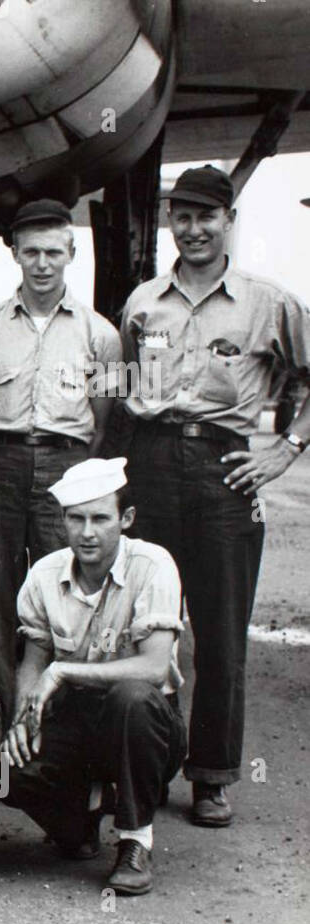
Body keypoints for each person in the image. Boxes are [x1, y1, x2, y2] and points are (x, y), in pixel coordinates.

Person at [118, 164, 310, 827]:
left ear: (229, 221)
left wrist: (285, 448)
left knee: (220, 633)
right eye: (182, 215)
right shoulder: (144, 303)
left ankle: (211, 773)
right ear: (170, 222)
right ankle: (141, 760)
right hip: (151, 462)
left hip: (225, 468)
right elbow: (124, 389)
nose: (194, 229)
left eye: (207, 216)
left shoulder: (270, 303)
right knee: (140, 619)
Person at [0, 199, 121, 721]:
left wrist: (70, 478)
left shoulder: (102, 335)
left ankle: (56, 729)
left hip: (64, 470)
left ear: (71, 253)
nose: (43, 263)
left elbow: (103, 421)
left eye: (53, 252)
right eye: (32, 252)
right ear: (16, 255)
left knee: (66, 596)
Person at [1, 457, 187, 896]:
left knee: (132, 699)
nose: (87, 532)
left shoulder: (153, 565)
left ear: (126, 519)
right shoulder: (44, 574)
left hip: (146, 726)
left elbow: (156, 666)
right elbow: (33, 659)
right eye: (76, 518)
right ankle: (77, 819)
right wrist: (21, 722)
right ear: (62, 520)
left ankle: (135, 841)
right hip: (76, 723)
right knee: (3, 768)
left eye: (101, 518)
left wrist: (64, 671)